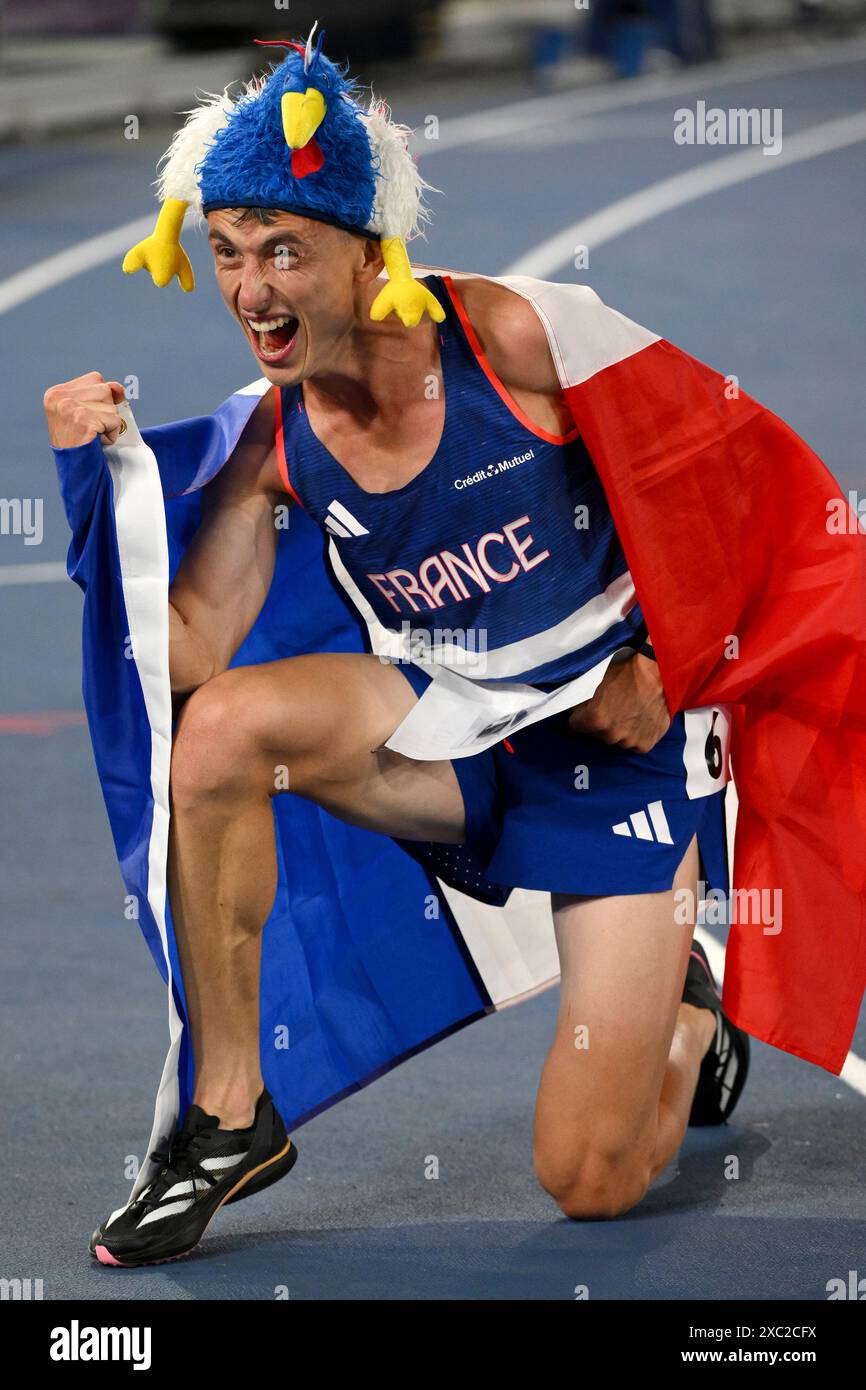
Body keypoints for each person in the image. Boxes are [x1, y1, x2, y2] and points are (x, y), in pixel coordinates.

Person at [68, 27, 866, 1270]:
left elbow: (739, 494)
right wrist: (96, 482)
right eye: (224, 253)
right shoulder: (268, 444)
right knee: (224, 730)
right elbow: (181, 658)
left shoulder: (518, 341)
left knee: (588, 1181)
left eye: (283, 249)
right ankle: (230, 1116)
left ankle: (685, 1009)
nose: (249, 289)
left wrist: (664, 665)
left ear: (366, 248)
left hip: (624, 761)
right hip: (451, 739)